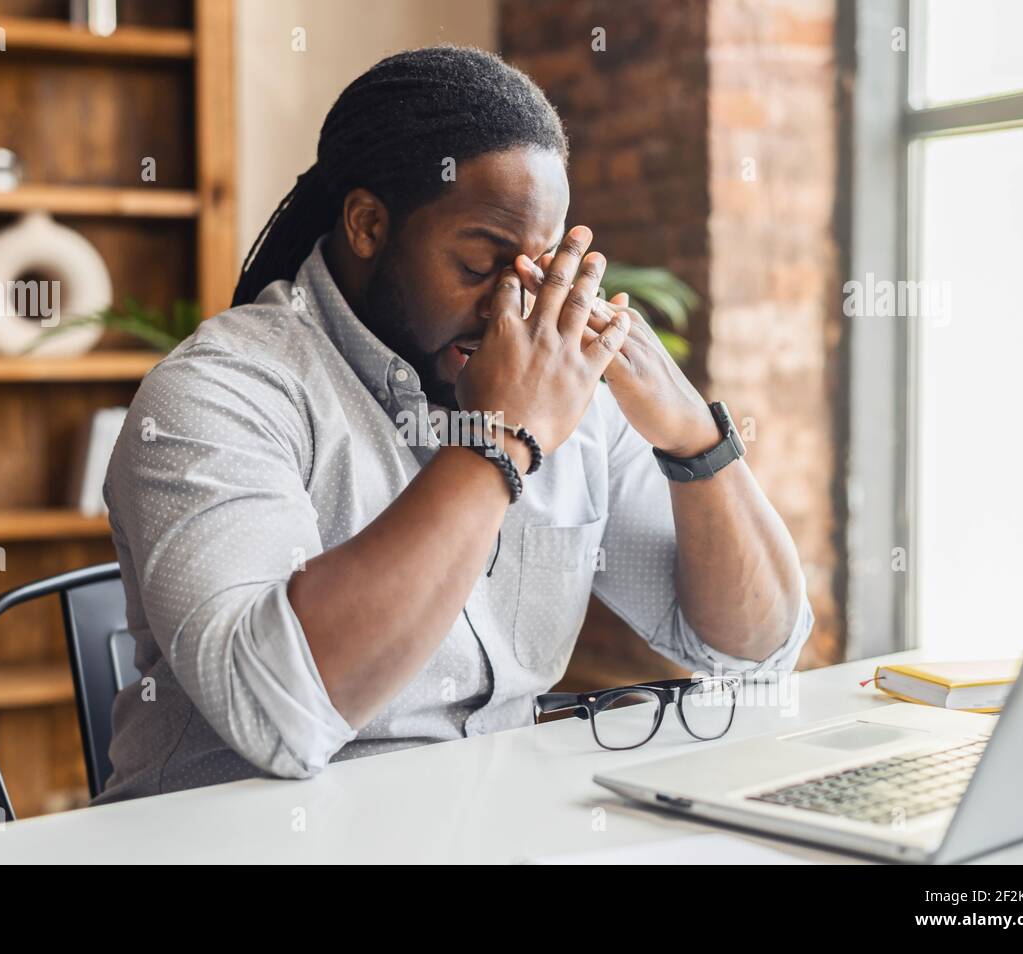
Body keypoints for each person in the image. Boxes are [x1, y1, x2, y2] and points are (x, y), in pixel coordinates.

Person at [93, 45, 813, 804]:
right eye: (479, 266)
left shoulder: (562, 387)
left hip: (486, 829)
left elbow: (753, 656)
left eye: (536, 274)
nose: (513, 310)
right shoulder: (220, 392)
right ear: (369, 224)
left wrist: (696, 442)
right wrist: (501, 441)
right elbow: (279, 715)